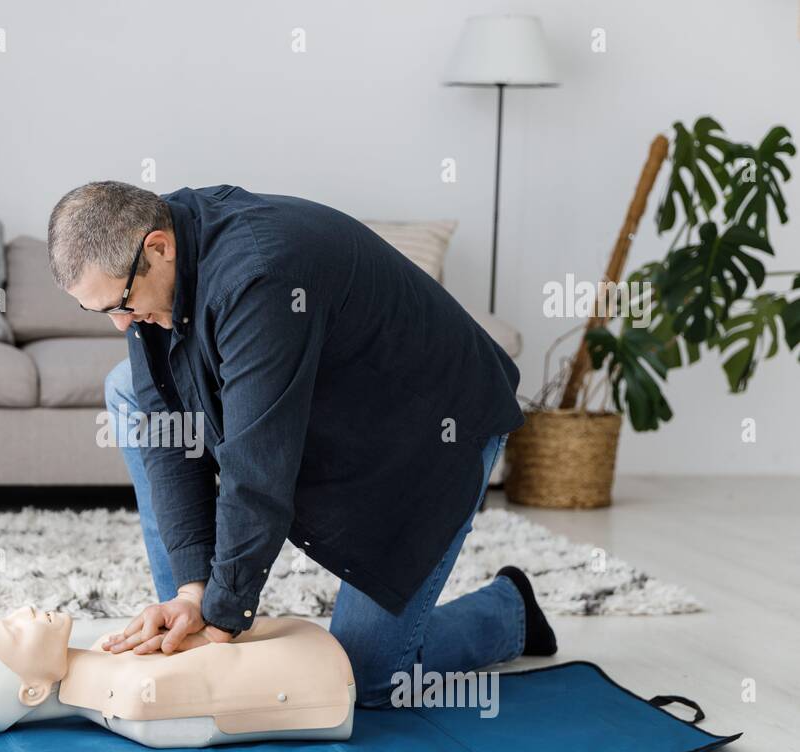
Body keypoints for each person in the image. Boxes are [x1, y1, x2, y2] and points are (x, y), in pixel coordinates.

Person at [46, 182, 556, 707]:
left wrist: (224, 619)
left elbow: (257, 467)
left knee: (366, 682)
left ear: (159, 246)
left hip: (428, 431)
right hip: (332, 404)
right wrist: (194, 590)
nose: (120, 323)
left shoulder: (260, 277)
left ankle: (510, 609)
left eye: (122, 303)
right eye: (101, 310)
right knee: (126, 388)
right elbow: (166, 432)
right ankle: (184, 618)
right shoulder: (149, 264)